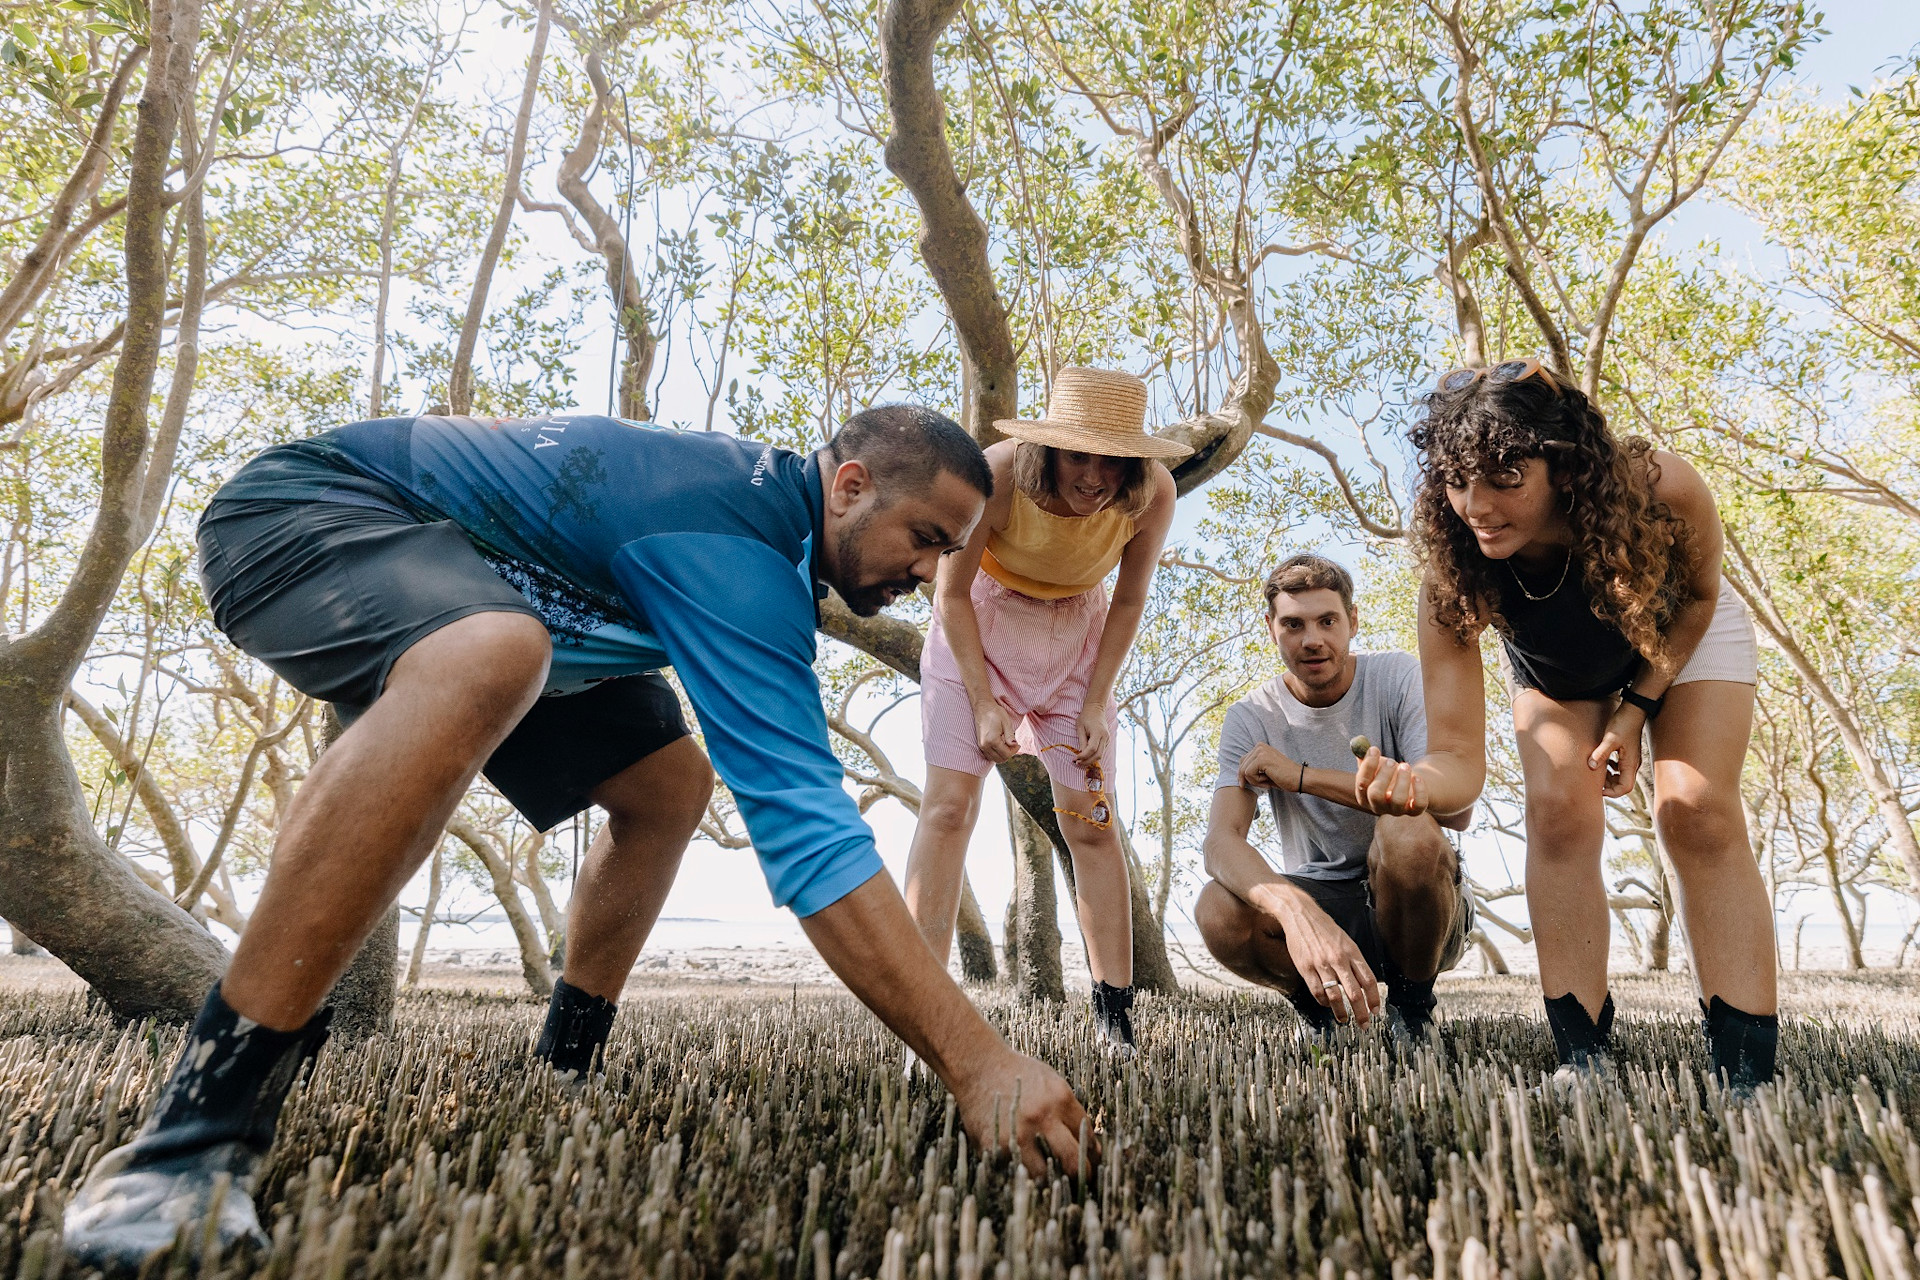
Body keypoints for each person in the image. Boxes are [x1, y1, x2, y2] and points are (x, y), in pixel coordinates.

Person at [64, 408, 1093, 1267]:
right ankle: (189, 1139)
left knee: (668, 779)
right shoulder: (731, 544)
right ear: (850, 484)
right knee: (493, 654)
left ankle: (564, 1061)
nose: (931, 569)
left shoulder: (767, 530)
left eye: (949, 552)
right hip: (299, 514)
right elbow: (811, 832)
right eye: (925, 536)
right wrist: (978, 1060)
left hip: (493, 587)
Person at [1356, 358, 1777, 1090]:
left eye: (1504, 479)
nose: (1476, 505)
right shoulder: (1454, 577)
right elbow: (1457, 753)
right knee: (1556, 813)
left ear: (1563, 463)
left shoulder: (1659, 486)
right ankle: (1584, 1056)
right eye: (1457, 482)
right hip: (1560, 678)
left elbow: (1704, 595)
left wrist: (1639, 707)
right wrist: (1415, 782)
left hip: (1680, 636)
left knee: (1693, 809)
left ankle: (1745, 1069)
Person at [903, 367, 1183, 1053]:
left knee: (1091, 820)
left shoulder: (1153, 495)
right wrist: (982, 702)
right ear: (1049, 449)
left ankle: (1114, 1017)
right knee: (947, 810)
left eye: (1111, 460)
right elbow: (952, 594)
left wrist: (1093, 701)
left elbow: (1127, 600)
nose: (1093, 476)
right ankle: (917, 1013)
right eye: (1078, 454)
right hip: (980, 626)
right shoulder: (995, 474)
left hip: (1078, 642)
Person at [1195, 555, 1474, 1042]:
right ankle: (1322, 1010)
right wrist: (1294, 912)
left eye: (1328, 621)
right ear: (1271, 629)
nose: (1312, 639)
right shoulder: (1251, 716)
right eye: (1293, 624)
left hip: (1424, 904)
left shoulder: (1397, 677)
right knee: (1217, 906)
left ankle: (1412, 1011)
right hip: (1324, 899)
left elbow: (1456, 811)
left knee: (1406, 828)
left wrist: (1300, 776)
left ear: (1353, 621)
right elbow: (1220, 843)